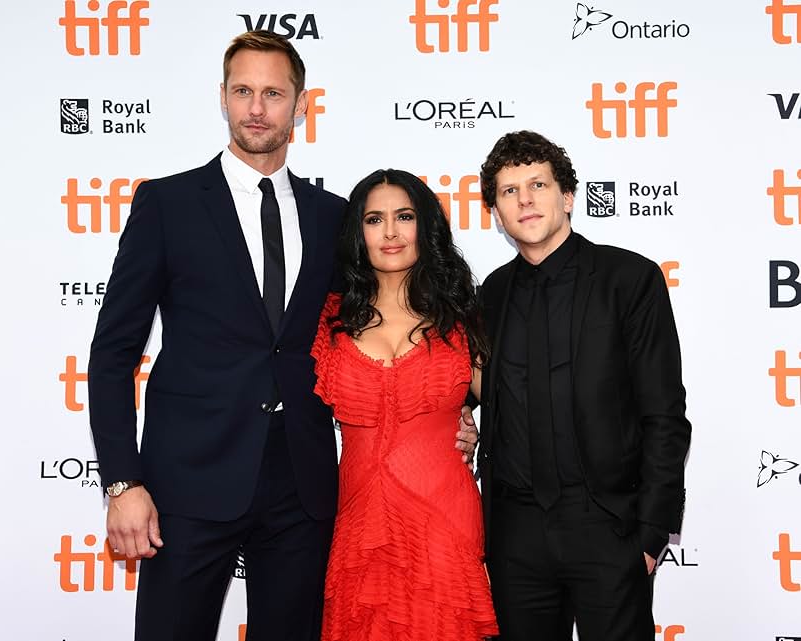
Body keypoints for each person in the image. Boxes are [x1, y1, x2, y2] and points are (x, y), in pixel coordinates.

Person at [87, 32, 477, 641]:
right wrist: (121, 481)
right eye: (243, 91)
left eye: (273, 93)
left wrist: (456, 411)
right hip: (188, 484)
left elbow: (388, 325)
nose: (256, 108)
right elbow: (112, 353)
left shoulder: (334, 217)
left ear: (300, 105)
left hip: (303, 489)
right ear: (222, 97)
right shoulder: (167, 204)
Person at [473, 130, 691, 641]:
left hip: (607, 525)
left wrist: (650, 532)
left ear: (567, 196)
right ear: (496, 214)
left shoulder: (629, 278)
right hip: (515, 534)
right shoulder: (491, 295)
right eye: (509, 191)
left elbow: (664, 412)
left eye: (538, 184)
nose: (525, 200)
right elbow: (470, 387)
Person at [311, 169, 499, 641]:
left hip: (443, 517)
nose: (391, 232)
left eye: (405, 216)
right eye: (374, 219)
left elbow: (518, 405)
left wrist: (472, 419)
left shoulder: (460, 317)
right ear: (358, 232)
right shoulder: (328, 318)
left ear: (425, 226)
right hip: (359, 523)